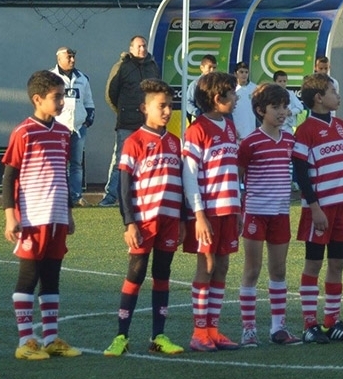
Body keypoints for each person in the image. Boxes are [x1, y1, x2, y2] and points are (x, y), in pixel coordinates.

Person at [103, 79, 187, 356]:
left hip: (170, 221)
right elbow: (124, 186)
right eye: (161, 106)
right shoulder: (134, 141)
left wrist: (184, 220)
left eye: (170, 106)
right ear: (144, 108)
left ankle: (158, 336)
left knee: (162, 274)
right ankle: (121, 336)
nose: (167, 111)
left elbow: (183, 184)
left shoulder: (175, 143)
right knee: (136, 273)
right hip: (144, 221)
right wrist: (129, 222)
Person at [3, 70, 81, 360]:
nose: (61, 102)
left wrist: (69, 213)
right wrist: (10, 216)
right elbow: (9, 177)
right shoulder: (23, 132)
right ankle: (26, 342)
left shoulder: (64, 133)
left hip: (57, 216)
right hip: (32, 218)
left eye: (63, 96)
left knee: (52, 277)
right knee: (28, 276)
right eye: (56, 97)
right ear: (38, 99)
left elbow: (62, 173)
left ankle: (50, 338)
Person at [294, 73, 343, 344]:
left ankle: (331, 321)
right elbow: (300, 172)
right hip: (319, 209)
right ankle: (309, 324)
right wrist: (314, 207)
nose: (338, 96)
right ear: (319, 98)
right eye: (333, 91)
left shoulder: (342, 126)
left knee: (338, 262)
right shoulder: (306, 129)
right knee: (313, 263)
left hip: (342, 207)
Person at [237, 83, 302, 347]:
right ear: (260, 110)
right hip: (255, 212)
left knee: (279, 269)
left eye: (285, 106)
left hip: (280, 214)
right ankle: (249, 329)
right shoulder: (251, 142)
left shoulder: (290, 140)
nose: (282, 112)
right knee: (252, 270)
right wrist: (239, 209)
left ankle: (278, 328)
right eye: (276, 107)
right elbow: (237, 176)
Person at [182, 71, 242, 352]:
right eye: (232, 93)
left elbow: (232, 171)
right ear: (218, 98)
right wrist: (199, 214)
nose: (236, 98)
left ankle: (214, 330)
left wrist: (238, 208)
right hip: (208, 212)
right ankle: (199, 332)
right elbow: (190, 175)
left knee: (222, 266)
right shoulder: (197, 130)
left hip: (229, 210)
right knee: (205, 266)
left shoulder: (229, 127)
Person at [99, 35, 160, 207]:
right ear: (131, 48)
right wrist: (123, 111)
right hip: (127, 122)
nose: (142, 49)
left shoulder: (152, 66)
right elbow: (111, 94)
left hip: (148, 124)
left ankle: (146, 195)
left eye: (144, 46)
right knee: (121, 159)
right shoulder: (122, 67)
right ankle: (111, 195)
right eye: (139, 46)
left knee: (149, 159)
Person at [50, 46, 95, 207]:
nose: (72, 60)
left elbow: (88, 101)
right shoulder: (51, 77)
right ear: (59, 59)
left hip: (78, 128)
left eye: (73, 57)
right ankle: (59, 197)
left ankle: (76, 196)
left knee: (76, 163)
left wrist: (88, 120)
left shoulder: (82, 78)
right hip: (58, 128)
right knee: (59, 163)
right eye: (68, 57)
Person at [185, 54, 218, 119]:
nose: (212, 70)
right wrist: (197, 112)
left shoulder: (218, 84)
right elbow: (188, 102)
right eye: (209, 67)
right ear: (202, 68)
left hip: (214, 118)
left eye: (214, 68)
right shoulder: (195, 84)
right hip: (199, 118)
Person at [232, 61, 258, 141]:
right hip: (236, 132)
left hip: (251, 131)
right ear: (235, 74)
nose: (244, 74)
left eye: (246, 72)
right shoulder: (232, 89)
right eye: (241, 72)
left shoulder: (255, 88)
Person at [273, 70, 304, 135]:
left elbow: (300, 107)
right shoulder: (270, 95)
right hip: (274, 126)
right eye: (280, 81)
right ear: (275, 82)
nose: (282, 83)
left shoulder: (290, 94)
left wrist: (291, 112)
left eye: (284, 81)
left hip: (287, 127)